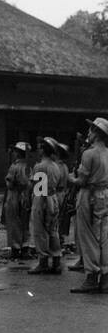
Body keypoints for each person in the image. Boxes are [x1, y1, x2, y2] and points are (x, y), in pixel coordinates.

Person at [72, 116, 108, 294]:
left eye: (91, 130)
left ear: (96, 133)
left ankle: (92, 277)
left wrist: (70, 178)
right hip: (105, 195)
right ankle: (106, 279)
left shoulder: (89, 154)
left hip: (89, 196)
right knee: (104, 238)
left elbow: (82, 180)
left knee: (88, 237)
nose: (88, 133)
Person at [29, 136, 67, 275]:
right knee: (53, 231)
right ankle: (56, 260)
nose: (37, 150)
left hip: (42, 199)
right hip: (53, 197)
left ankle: (43, 261)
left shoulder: (40, 166)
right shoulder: (56, 166)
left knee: (40, 231)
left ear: (43, 150)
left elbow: (39, 188)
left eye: (39, 147)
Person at [2, 142, 31, 261]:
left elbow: (9, 183)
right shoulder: (30, 166)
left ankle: (15, 248)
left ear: (18, 153)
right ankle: (25, 247)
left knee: (14, 222)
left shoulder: (14, 166)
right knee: (25, 223)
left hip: (15, 194)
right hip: (27, 195)